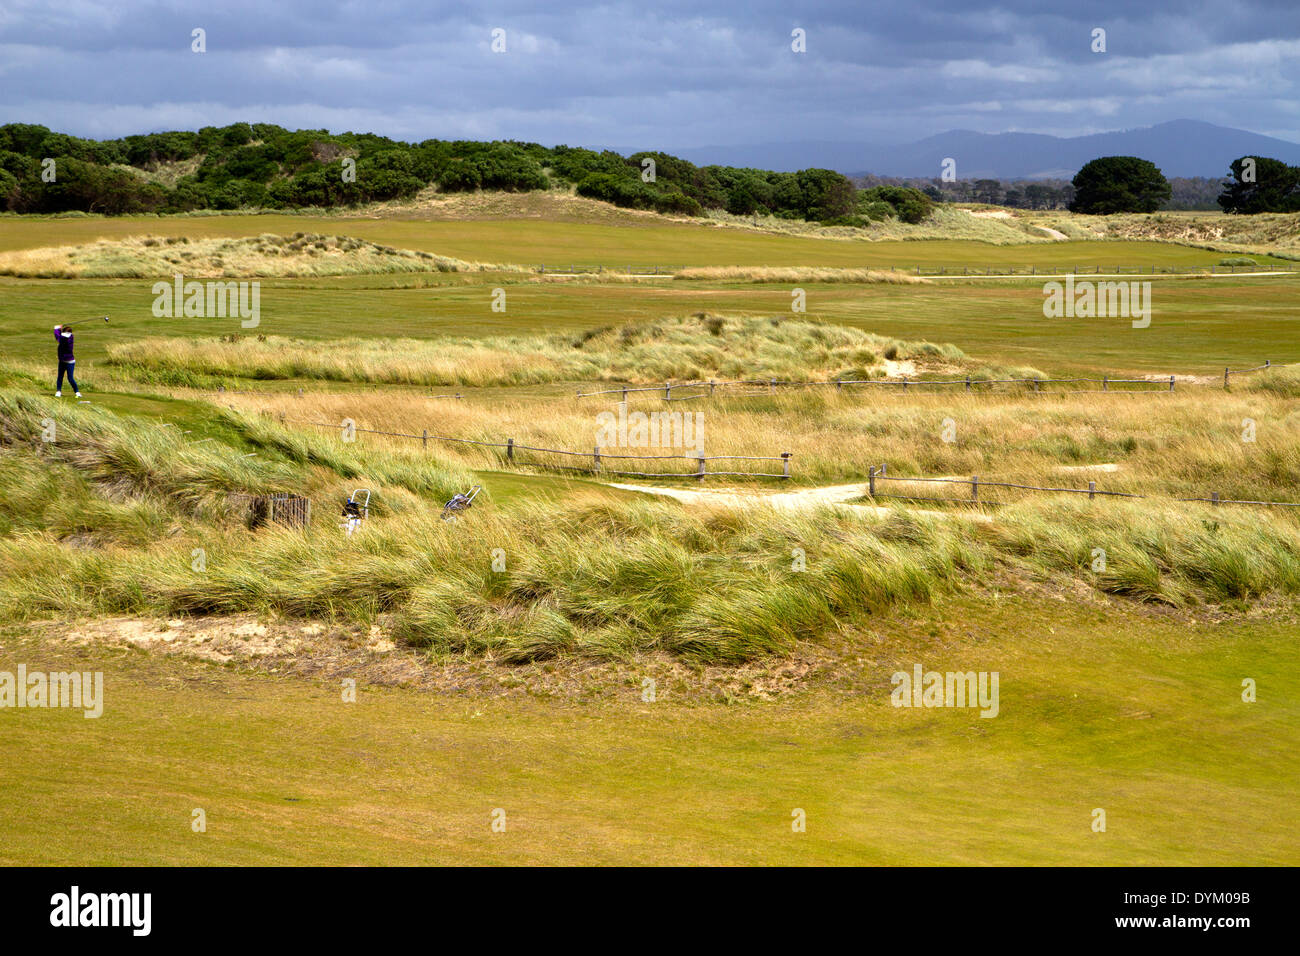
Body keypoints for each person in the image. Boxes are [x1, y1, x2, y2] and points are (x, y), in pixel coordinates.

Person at [53, 324, 81, 397]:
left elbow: (57, 336)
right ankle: (58, 391)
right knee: (60, 377)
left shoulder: (68, 339)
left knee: (70, 378)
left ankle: (77, 392)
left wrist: (57, 328)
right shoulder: (65, 337)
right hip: (62, 361)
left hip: (70, 362)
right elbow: (58, 336)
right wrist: (59, 329)